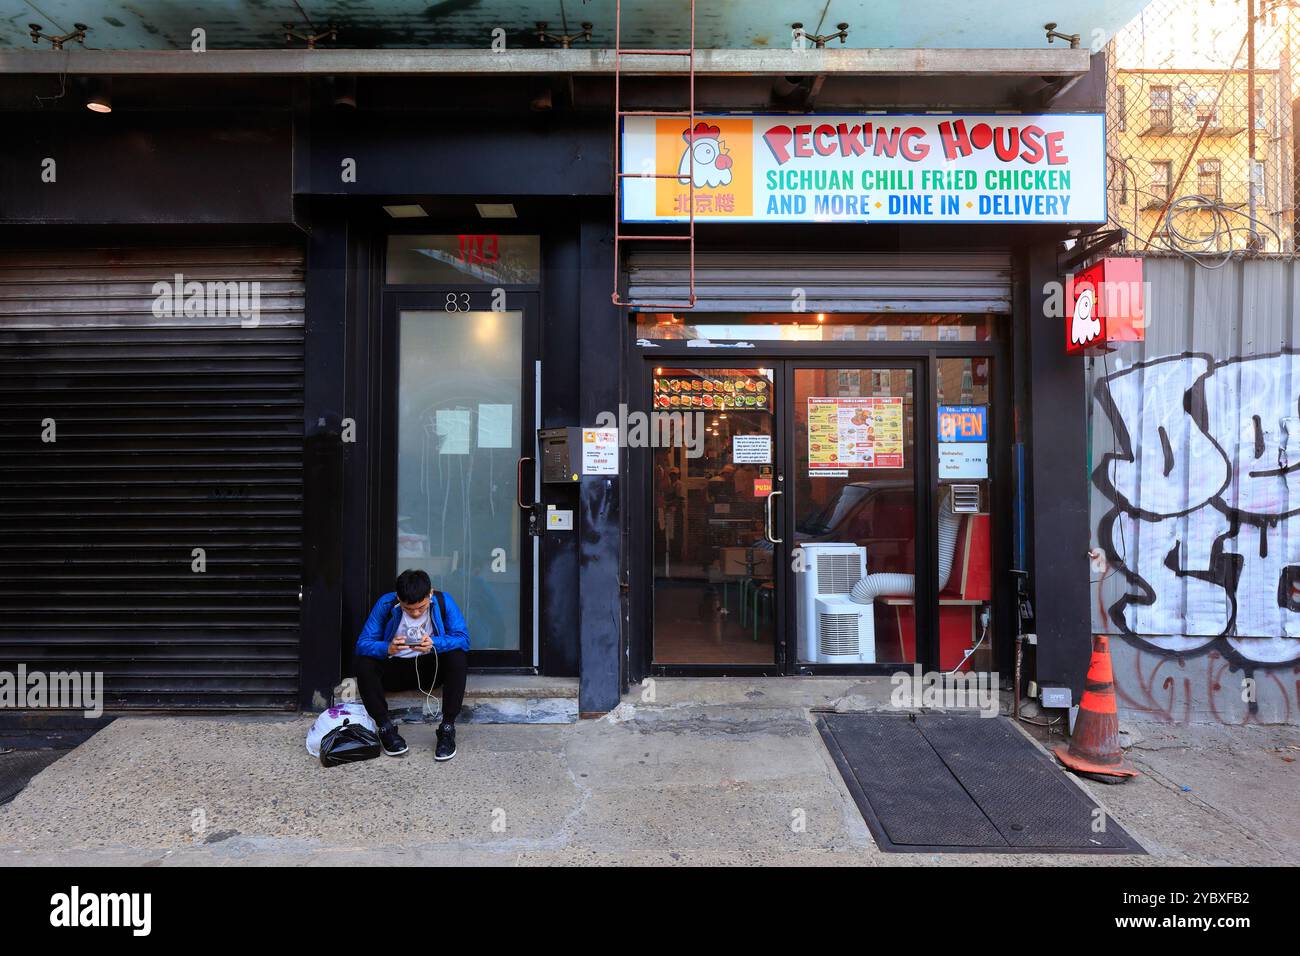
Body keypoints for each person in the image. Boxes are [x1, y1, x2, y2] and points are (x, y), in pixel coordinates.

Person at [354, 568, 470, 761]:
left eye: (421, 607)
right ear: (399, 598)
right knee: (364, 663)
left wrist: (435, 644)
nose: (415, 613)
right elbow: (362, 644)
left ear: (430, 594)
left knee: (457, 657)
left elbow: (463, 639)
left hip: (429, 671)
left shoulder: (443, 601)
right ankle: (385, 728)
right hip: (396, 669)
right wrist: (387, 648)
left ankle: (447, 728)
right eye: (409, 608)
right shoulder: (386, 603)